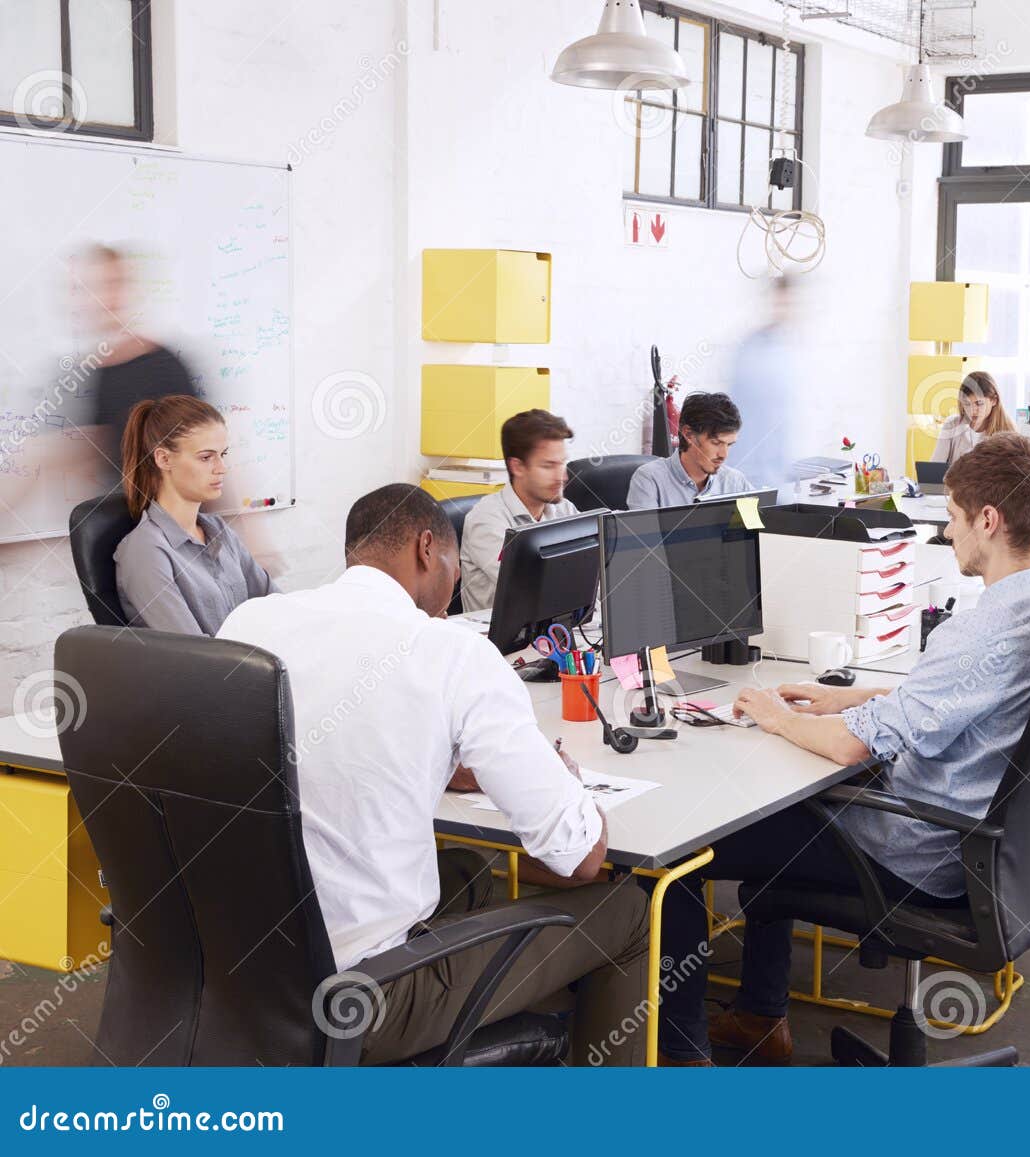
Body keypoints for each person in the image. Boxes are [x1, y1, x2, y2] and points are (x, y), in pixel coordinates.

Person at [651, 434, 1030, 1065]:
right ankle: (761, 1016)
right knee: (777, 817)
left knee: (678, 852)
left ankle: (683, 1065)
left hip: (916, 852)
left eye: (953, 519)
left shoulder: (983, 629)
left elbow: (850, 751)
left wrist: (770, 713)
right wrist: (851, 697)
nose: (948, 535)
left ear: (989, 520)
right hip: (986, 847)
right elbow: (966, 695)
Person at [217, 483, 649, 1065]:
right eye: (453, 563)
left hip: (237, 971)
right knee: (626, 908)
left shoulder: (252, 622)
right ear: (427, 548)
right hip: (364, 999)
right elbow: (579, 857)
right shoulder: (451, 652)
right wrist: (568, 786)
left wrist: (446, 765)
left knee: (467, 871)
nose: (452, 589)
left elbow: (322, 737)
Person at [113, 395, 276, 635]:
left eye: (223, 454)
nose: (221, 468)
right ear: (164, 459)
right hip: (226, 671)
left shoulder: (218, 530)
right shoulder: (145, 551)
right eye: (206, 457)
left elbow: (274, 604)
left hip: (259, 664)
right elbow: (196, 656)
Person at [75, 244, 199, 461]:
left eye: (112, 284)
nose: (103, 298)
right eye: (91, 288)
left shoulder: (164, 366)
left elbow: (200, 451)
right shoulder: (83, 376)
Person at [459, 408, 580, 612]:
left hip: (554, 632)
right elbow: (531, 587)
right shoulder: (486, 519)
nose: (562, 476)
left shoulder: (563, 509)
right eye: (548, 466)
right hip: (500, 642)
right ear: (517, 467)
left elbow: (594, 574)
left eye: (562, 463)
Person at [727, 275, 800, 492]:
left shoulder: (790, 350)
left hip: (783, 479)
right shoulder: (752, 352)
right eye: (783, 302)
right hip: (754, 478)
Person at [626, 391, 753, 508]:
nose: (724, 455)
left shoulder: (736, 482)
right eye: (716, 443)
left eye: (729, 445)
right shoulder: (649, 479)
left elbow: (757, 529)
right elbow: (646, 533)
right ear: (688, 434)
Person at [928, 371, 1016, 466]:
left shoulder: (1008, 431)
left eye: (979, 403)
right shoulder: (952, 424)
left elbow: (1009, 475)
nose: (972, 410)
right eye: (967, 403)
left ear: (994, 400)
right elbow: (935, 467)